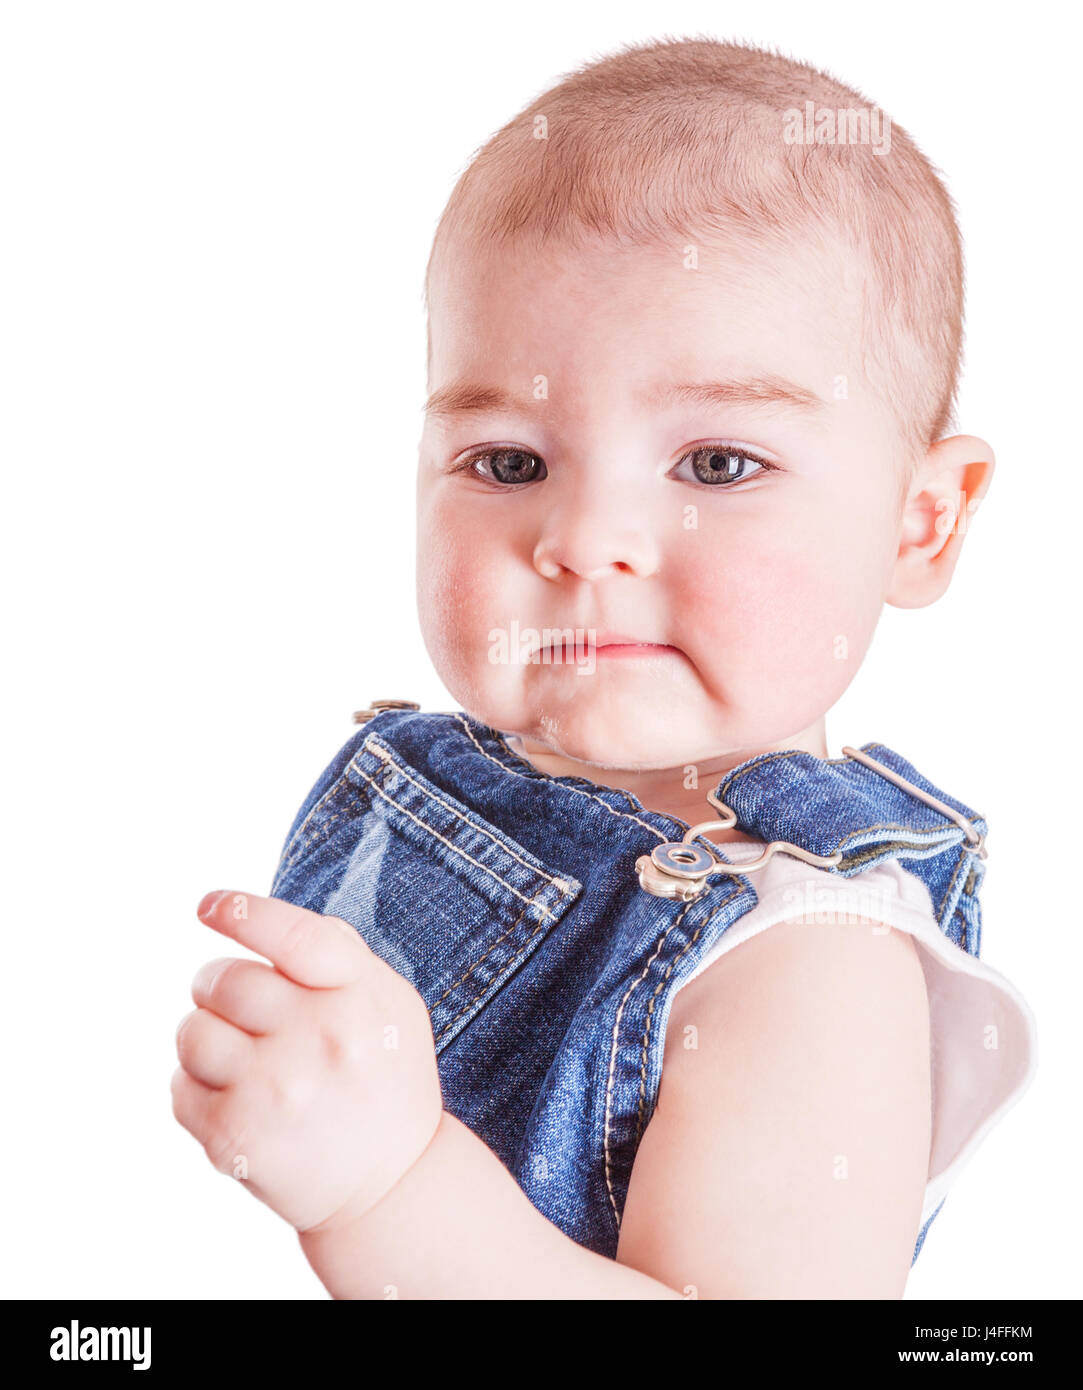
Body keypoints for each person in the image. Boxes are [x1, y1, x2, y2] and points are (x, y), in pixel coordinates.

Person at [172, 36, 1037, 1299]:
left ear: (923, 521)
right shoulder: (440, 782)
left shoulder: (812, 965)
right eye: (511, 462)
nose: (582, 542)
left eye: (718, 465)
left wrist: (389, 1184)